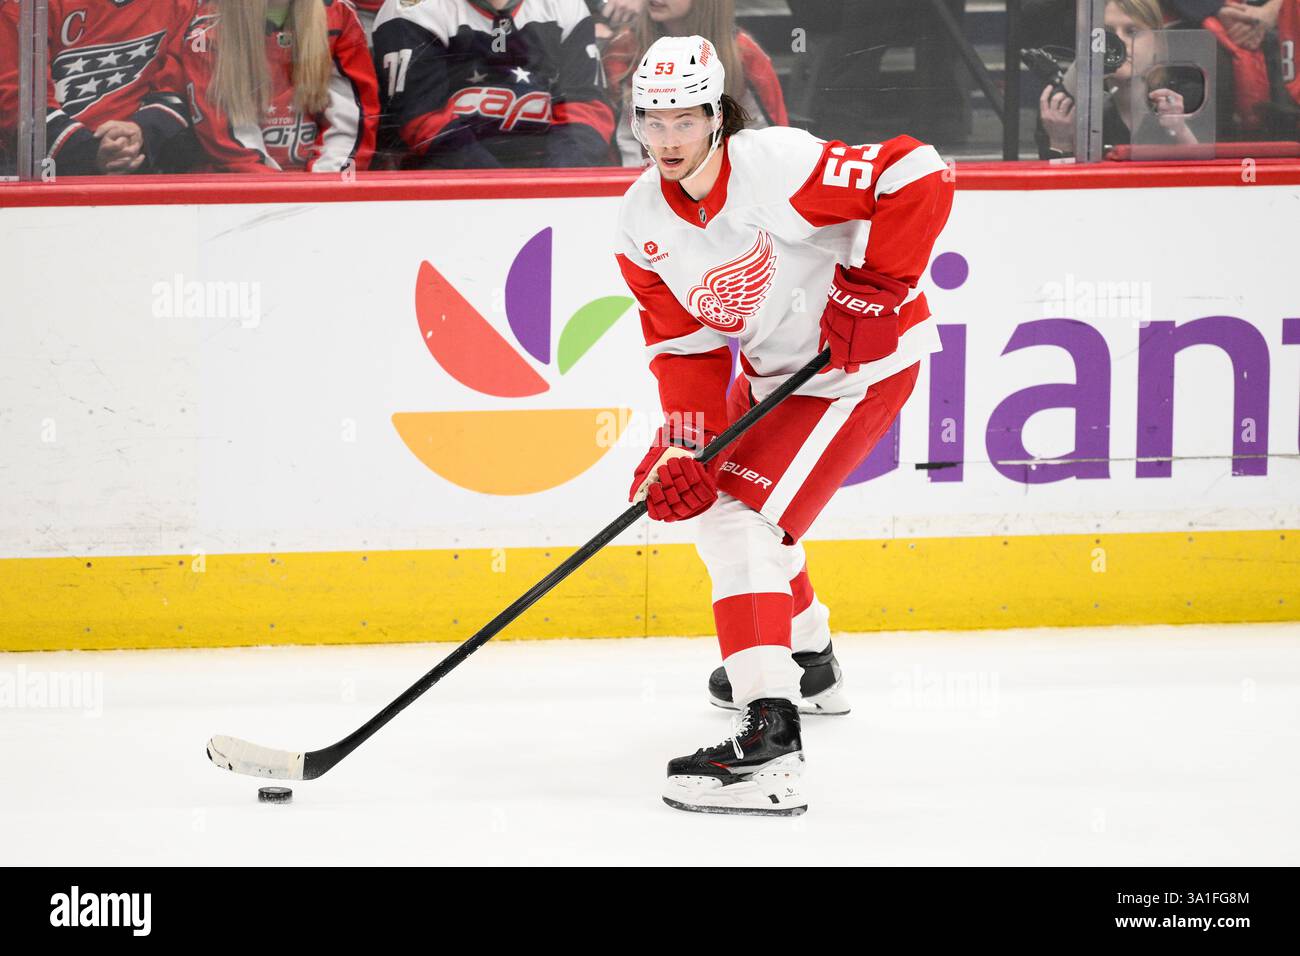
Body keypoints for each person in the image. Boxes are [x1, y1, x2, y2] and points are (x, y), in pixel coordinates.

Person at [615, 35, 953, 815]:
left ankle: (769, 741)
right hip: (778, 377)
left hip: (857, 372)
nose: (668, 139)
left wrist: (877, 289)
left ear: (715, 115)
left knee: (743, 524)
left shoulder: (774, 166)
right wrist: (685, 442)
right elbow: (686, 346)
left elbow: (915, 171)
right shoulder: (640, 221)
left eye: (685, 120)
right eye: (652, 121)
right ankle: (806, 662)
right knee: (710, 501)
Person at [371, 0, 615, 169]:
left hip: (548, 173)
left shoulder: (566, 7)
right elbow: (419, 120)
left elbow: (587, 108)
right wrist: (497, 187)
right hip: (447, 185)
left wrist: (555, 182)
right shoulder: (411, 10)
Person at [182, 0, 380, 173]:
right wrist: (281, 193)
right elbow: (229, 145)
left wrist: (320, 188)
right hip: (245, 198)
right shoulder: (208, 30)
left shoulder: (339, 16)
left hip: (321, 189)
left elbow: (352, 125)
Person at [604, 0, 787, 166]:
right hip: (639, 182)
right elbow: (620, 143)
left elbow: (769, 141)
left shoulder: (743, 53)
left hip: (729, 186)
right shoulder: (624, 50)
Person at [44, 0, 197, 175]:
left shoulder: (181, 5)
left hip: (147, 159)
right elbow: (20, 100)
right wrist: (89, 151)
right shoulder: (31, 7)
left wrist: (140, 132)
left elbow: (178, 87)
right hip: (54, 169)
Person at [1038, 0, 1197, 157]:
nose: (1119, 42)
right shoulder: (1064, 111)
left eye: (1132, 31)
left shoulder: (1192, 100)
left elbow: (1206, 177)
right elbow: (1058, 181)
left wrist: (1180, 130)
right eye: (1108, 32)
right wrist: (1061, 141)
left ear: (1158, 43)